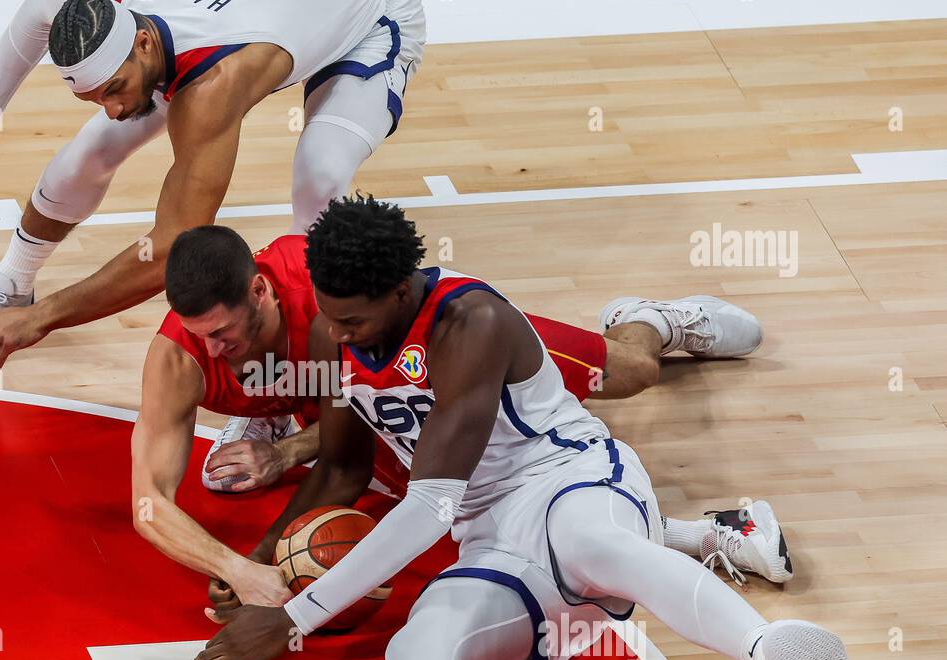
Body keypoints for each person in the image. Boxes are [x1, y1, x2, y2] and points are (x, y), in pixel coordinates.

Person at [194, 195, 876, 660]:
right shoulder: (330, 335)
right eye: (329, 314)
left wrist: (293, 619)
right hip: (490, 538)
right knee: (419, 647)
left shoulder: (473, 322)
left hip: (573, 479)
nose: (336, 334)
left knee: (598, 548)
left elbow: (429, 504)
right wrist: (257, 566)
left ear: (401, 290)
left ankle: (777, 654)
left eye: (353, 319)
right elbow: (342, 468)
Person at [132, 225, 790, 621]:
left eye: (222, 334)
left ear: (261, 291)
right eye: (200, 338)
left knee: (632, 376)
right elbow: (147, 505)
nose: (211, 350)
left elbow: (381, 416)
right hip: (362, 406)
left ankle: (657, 319)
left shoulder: (326, 286)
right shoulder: (178, 358)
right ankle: (713, 534)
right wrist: (245, 566)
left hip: (442, 374)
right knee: (488, 519)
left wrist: (284, 490)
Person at [0, 0, 426, 370]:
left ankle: (294, 358)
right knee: (85, 156)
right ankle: (9, 280)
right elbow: (34, 13)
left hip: (370, 12)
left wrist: (42, 319)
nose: (113, 109)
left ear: (142, 43)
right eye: (95, 98)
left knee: (321, 176)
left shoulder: (216, 84)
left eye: (114, 90)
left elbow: (169, 252)